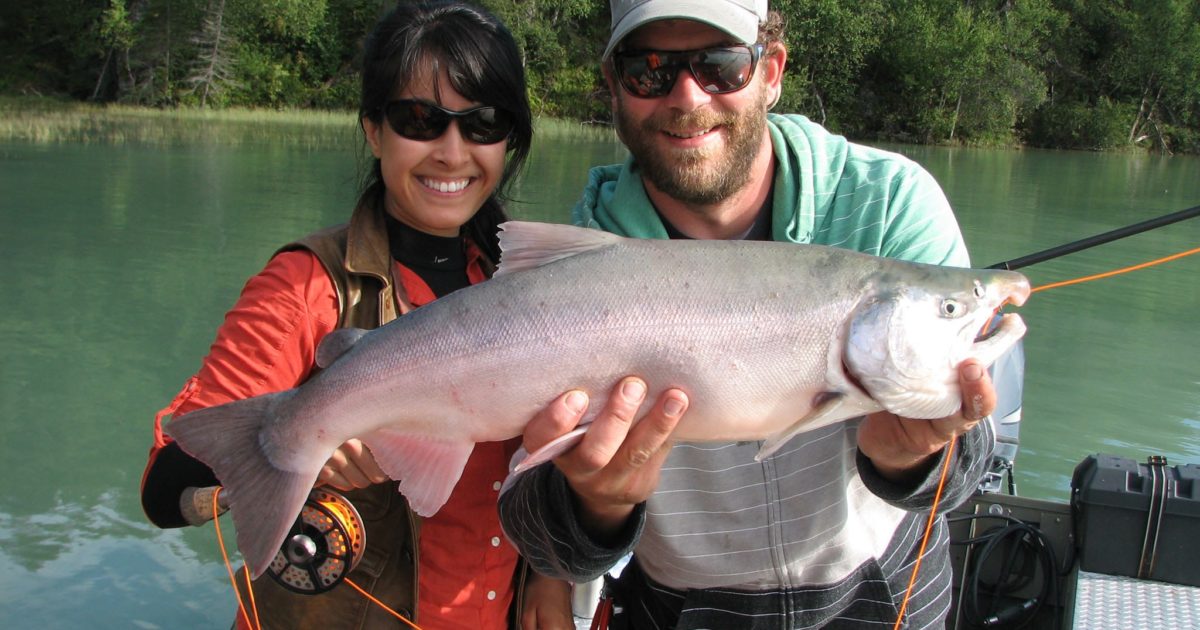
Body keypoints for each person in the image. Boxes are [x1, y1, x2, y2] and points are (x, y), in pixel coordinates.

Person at [498, 0, 998, 628]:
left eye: (721, 66)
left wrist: (911, 460)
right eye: (649, 70)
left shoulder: (892, 204)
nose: (687, 95)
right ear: (613, 86)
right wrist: (595, 506)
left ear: (772, 69)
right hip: (678, 610)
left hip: (887, 596)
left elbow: (967, 466)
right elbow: (543, 538)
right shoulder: (567, 269)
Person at [139, 2, 574, 628]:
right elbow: (164, 489)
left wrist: (552, 575)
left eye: (483, 122)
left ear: (510, 139)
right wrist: (303, 447)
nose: (452, 153)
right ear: (373, 129)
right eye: (419, 119)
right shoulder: (305, 286)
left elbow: (565, 463)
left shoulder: (547, 292)